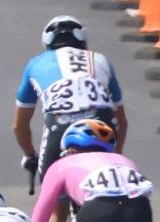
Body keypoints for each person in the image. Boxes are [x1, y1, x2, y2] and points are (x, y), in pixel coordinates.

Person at [13, 15, 126, 185]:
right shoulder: (101, 60)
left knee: (55, 199)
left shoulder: (34, 64)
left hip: (60, 123)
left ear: (47, 42)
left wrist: (29, 155)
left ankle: (60, 210)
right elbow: (122, 120)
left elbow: (19, 126)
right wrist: (116, 153)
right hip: (101, 122)